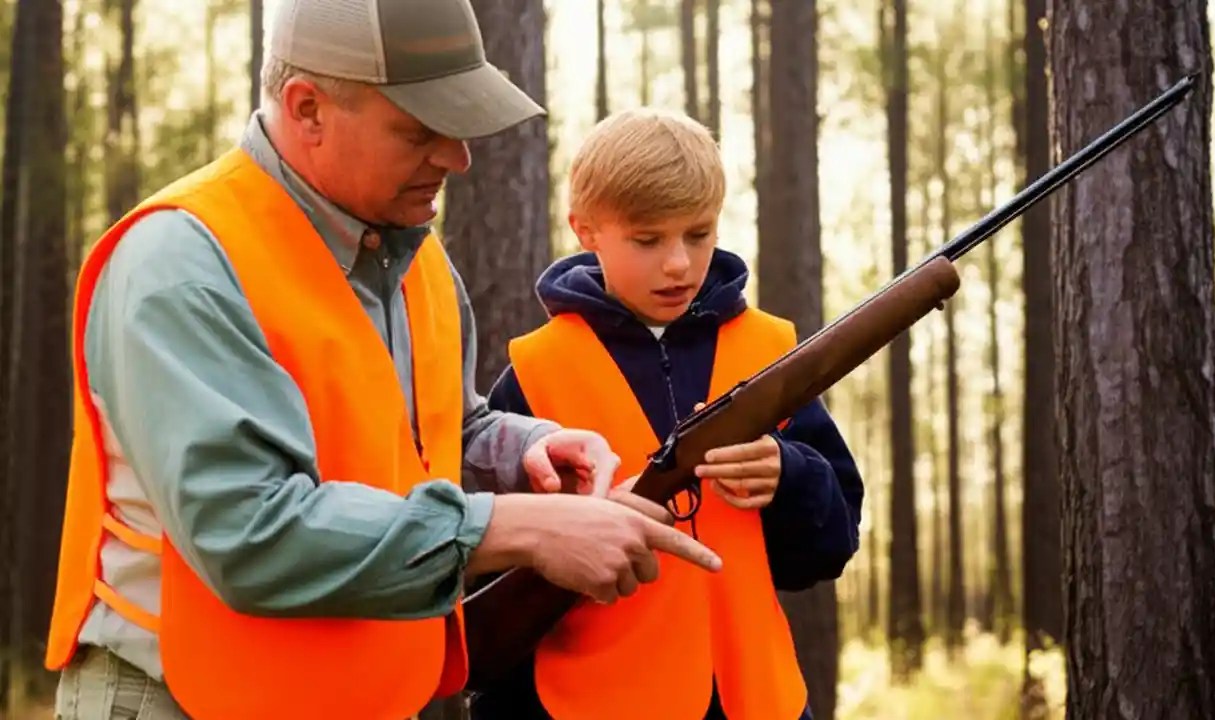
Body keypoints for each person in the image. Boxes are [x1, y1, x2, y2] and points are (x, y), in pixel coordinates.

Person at [43, 2, 721, 719]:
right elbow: (250, 531)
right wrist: (520, 527)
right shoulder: (181, 263)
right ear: (308, 109)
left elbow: (435, 439)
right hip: (180, 699)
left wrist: (526, 449)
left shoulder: (418, 261)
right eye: (420, 129)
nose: (456, 158)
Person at [470, 108, 865, 720]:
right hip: (579, 705)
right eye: (648, 239)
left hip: (753, 701)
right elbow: (487, 563)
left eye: (699, 234)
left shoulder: (769, 356)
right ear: (586, 230)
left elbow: (829, 548)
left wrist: (789, 475)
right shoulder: (537, 370)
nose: (678, 262)